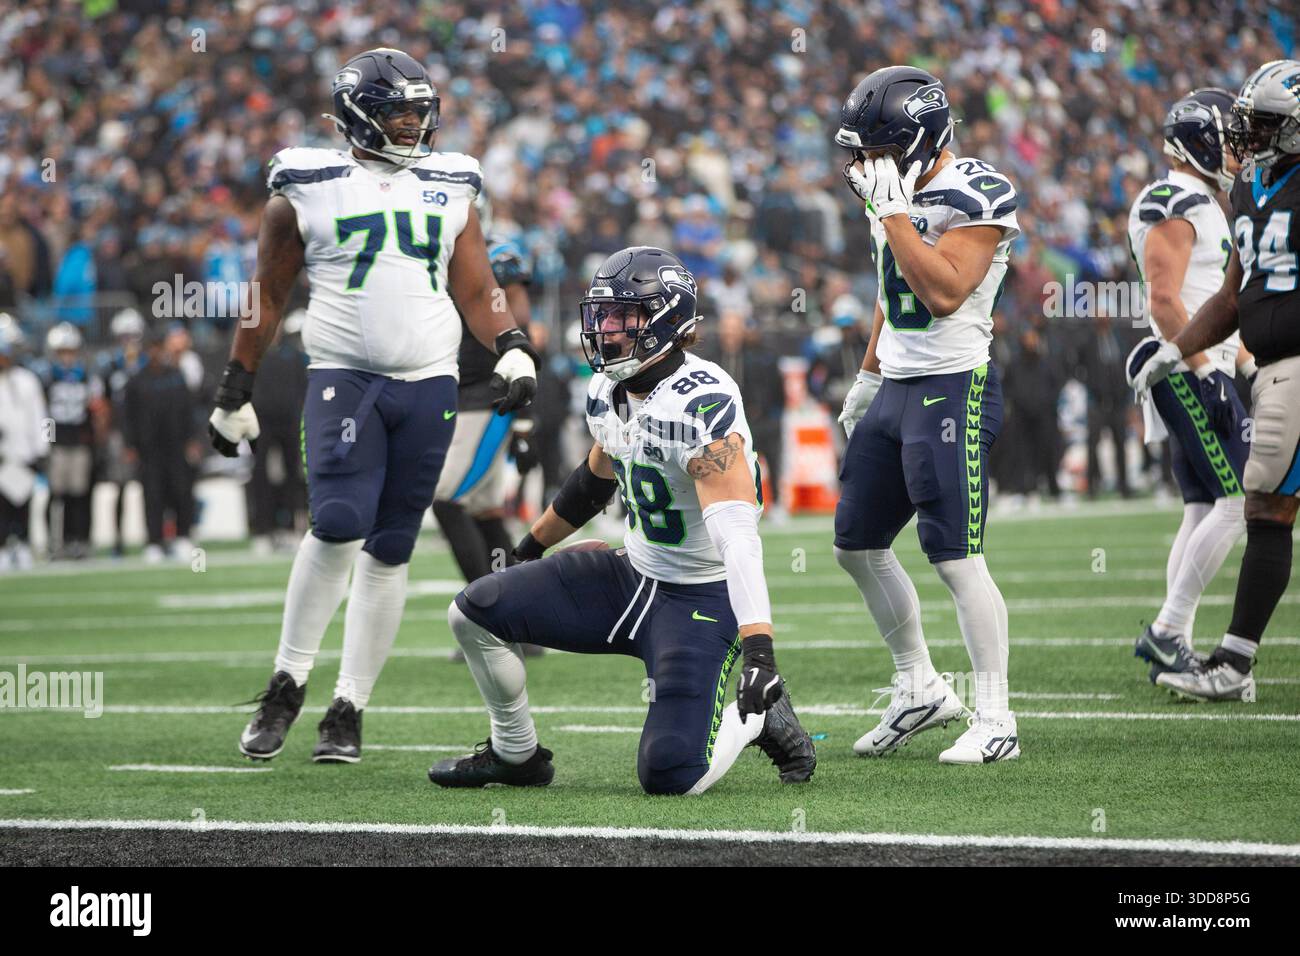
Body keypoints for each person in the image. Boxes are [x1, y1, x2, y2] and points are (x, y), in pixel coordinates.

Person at [214, 49, 537, 764]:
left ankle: (349, 704)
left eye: (420, 110)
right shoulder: (305, 182)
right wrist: (234, 386)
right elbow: (267, 295)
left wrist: (511, 341)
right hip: (345, 378)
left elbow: (477, 285)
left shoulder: (452, 182)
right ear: (357, 113)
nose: (412, 122)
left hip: (430, 384)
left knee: (391, 547)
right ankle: (288, 681)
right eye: (398, 110)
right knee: (336, 525)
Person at [428, 247, 816, 794]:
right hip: (630, 576)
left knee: (672, 775)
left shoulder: (701, 403)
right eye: (601, 315)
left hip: (699, 599)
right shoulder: (608, 389)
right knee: (474, 611)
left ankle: (758, 717)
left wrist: (760, 653)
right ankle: (516, 754)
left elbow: (737, 539)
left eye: (622, 317)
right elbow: (593, 482)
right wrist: (527, 552)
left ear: (666, 320)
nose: (605, 329)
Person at [832, 66, 1021, 763]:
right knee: (855, 543)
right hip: (897, 388)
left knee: (955, 556)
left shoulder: (976, 191)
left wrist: (892, 214)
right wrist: (867, 374)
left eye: (877, 149)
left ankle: (996, 716)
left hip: (954, 387)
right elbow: (894, 285)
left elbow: (942, 290)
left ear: (919, 137)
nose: (864, 164)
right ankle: (919, 686)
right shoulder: (892, 192)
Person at [1131, 60, 1300, 701]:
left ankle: (1179, 636)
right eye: (1238, 130)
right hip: (1224, 363)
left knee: (1218, 504)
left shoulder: (1237, 194)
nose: (1244, 140)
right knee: (1244, 504)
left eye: (1257, 126)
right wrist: (1190, 359)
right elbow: (1198, 296)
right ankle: (1187, 640)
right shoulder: (1209, 197)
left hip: (1240, 363)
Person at [1125, 89, 1255, 683]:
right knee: (1238, 503)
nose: (1236, 152)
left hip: (1202, 365)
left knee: (1202, 505)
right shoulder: (1173, 198)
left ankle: (1174, 636)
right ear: (1201, 139)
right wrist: (1208, 372)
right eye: (1229, 140)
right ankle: (1169, 631)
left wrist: (1241, 363)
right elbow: (1164, 298)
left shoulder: (1203, 200)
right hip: (1185, 368)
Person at [432, 193, 544, 654]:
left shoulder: (498, 255)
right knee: (484, 511)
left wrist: (525, 421)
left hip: (488, 396)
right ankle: (523, 623)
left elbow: (522, 331)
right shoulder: (437, 257)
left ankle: (487, 618)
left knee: (445, 499)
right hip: (456, 396)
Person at [122, 328, 198, 563]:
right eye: (152, 348)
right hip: (149, 450)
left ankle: (183, 537)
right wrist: (130, 445)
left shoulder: (176, 376)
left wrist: (192, 440)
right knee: (152, 495)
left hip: (175, 446)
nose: (156, 352)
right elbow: (128, 416)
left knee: (181, 491)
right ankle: (154, 541)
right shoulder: (137, 381)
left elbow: (188, 411)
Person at [37, 322, 103, 560]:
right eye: (62, 352)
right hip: (57, 443)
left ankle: (78, 541)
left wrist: (93, 438)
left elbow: (95, 410)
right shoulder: (46, 377)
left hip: (79, 441)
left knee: (79, 495)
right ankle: (55, 543)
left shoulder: (86, 375)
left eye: (70, 351)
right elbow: (41, 412)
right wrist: (47, 443)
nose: (66, 357)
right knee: (56, 496)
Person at [98, 308, 148, 557]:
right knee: (120, 485)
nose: (129, 341)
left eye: (133, 335)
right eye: (124, 336)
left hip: (147, 431)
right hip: (120, 432)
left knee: (153, 484)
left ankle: (156, 538)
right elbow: (103, 403)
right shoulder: (109, 366)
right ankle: (117, 539)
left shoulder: (148, 364)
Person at [0, 314, 45, 571]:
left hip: (24, 453)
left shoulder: (27, 381)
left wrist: (42, 449)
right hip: (1, 456)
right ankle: (4, 548)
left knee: (24, 506)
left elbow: (41, 420)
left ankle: (24, 545)